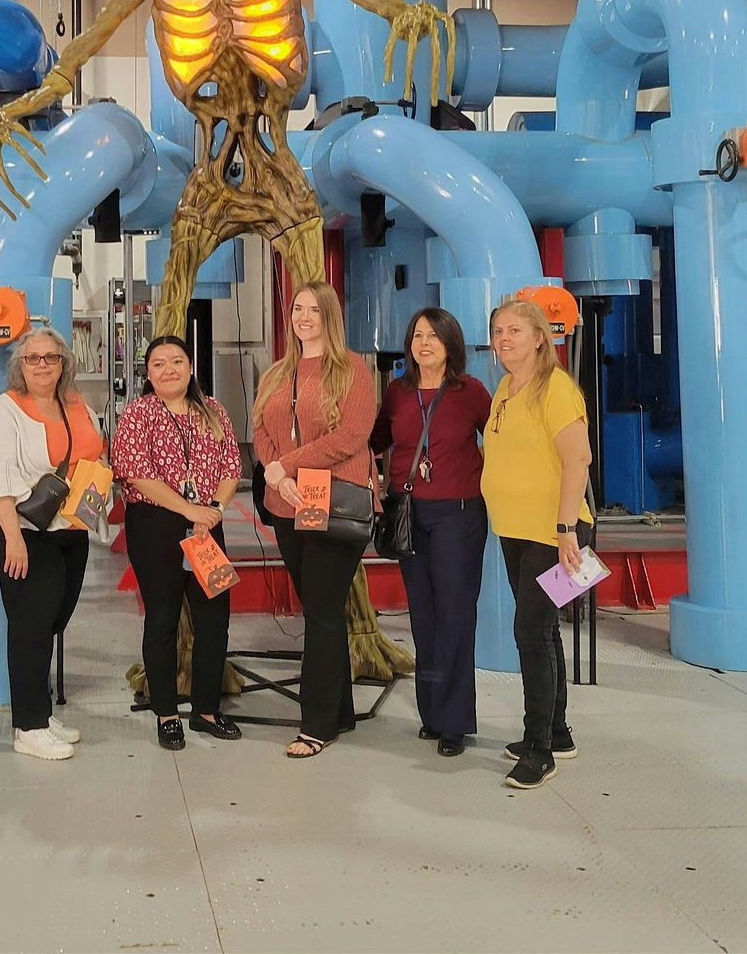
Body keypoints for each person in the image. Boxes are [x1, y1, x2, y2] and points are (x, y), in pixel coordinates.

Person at [253, 281, 378, 759]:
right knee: (320, 609)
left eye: (313, 310)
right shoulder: (278, 372)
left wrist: (291, 466)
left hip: (331, 497)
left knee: (322, 611)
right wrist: (275, 472)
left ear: (330, 316)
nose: (303, 317)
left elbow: (352, 435)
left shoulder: (352, 369)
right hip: (286, 501)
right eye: (297, 309)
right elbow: (261, 429)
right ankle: (339, 710)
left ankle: (317, 724)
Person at [0, 327, 109, 761]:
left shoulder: (76, 405)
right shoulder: (4, 411)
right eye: (32, 359)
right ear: (20, 365)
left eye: (50, 358)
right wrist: (12, 538)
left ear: (63, 363)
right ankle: (28, 726)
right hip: (21, 527)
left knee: (55, 616)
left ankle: (41, 711)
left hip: (70, 525)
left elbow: (94, 453)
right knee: (31, 623)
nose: (42, 366)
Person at [481, 299, 594, 790]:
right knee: (544, 631)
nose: (505, 339)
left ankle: (538, 749)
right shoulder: (506, 388)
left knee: (529, 632)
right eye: (498, 331)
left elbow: (578, 460)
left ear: (538, 337)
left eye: (515, 330)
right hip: (516, 529)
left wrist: (567, 530)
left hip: (555, 535)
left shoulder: (557, 390)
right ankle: (559, 731)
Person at [111, 336, 243, 750]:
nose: (168, 369)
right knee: (163, 617)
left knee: (214, 617)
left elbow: (231, 466)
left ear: (190, 366)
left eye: (177, 361)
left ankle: (206, 710)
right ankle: (167, 713)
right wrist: (190, 511)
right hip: (155, 525)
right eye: (158, 363)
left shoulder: (213, 410)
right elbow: (135, 473)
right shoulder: (138, 414)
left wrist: (215, 509)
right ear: (147, 372)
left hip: (207, 525)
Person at [370, 308, 491, 757]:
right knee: (424, 617)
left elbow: (501, 437)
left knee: (456, 616)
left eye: (433, 336)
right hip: (408, 514)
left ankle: (456, 722)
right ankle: (432, 714)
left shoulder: (471, 393)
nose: (423, 343)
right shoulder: (397, 393)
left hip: (458, 516)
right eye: (417, 335)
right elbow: (376, 440)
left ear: (449, 344)